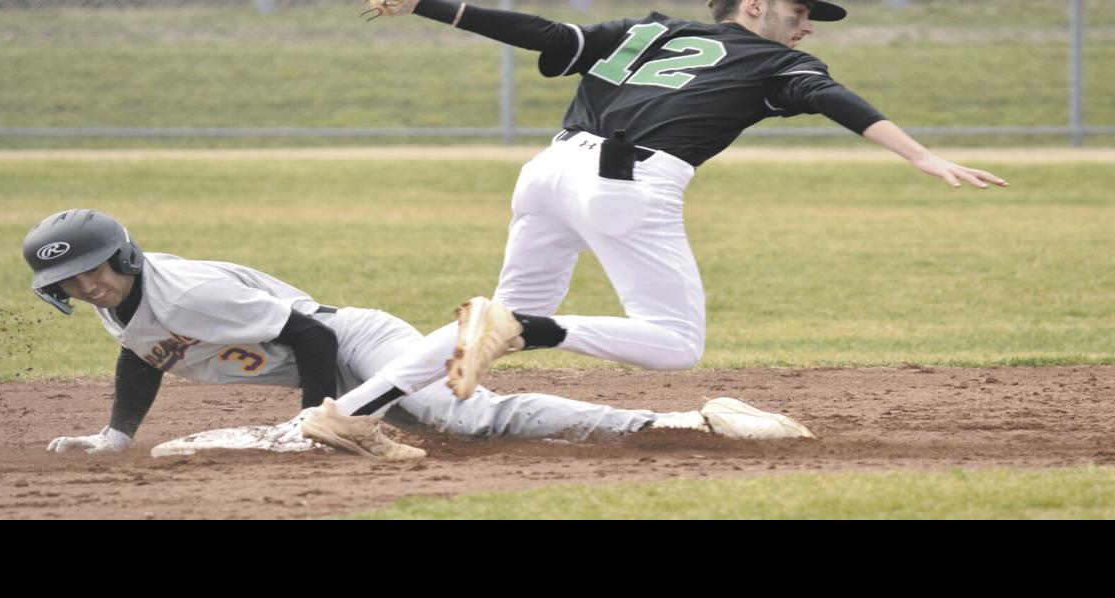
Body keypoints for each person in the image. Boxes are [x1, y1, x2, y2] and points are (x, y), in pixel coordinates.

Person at [363, 0, 1007, 391]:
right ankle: (521, 328)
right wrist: (919, 154)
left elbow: (549, 36)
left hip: (549, 167)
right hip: (624, 181)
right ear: (753, 7)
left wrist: (428, 4)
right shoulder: (770, 60)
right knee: (673, 343)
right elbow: (830, 98)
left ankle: (352, 410)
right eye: (799, 11)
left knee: (497, 318)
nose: (807, 25)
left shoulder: (652, 31)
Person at [22, 208, 814, 461]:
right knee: (461, 430)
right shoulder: (118, 305)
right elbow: (142, 361)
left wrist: (319, 420)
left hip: (356, 344)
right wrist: (115, 438)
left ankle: (688, 422)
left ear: (121, 254)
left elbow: (311, 334)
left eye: (95, 268)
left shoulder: (185, 288)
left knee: (465, 415)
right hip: (338, 358)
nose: (88, 284)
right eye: (71, 282)